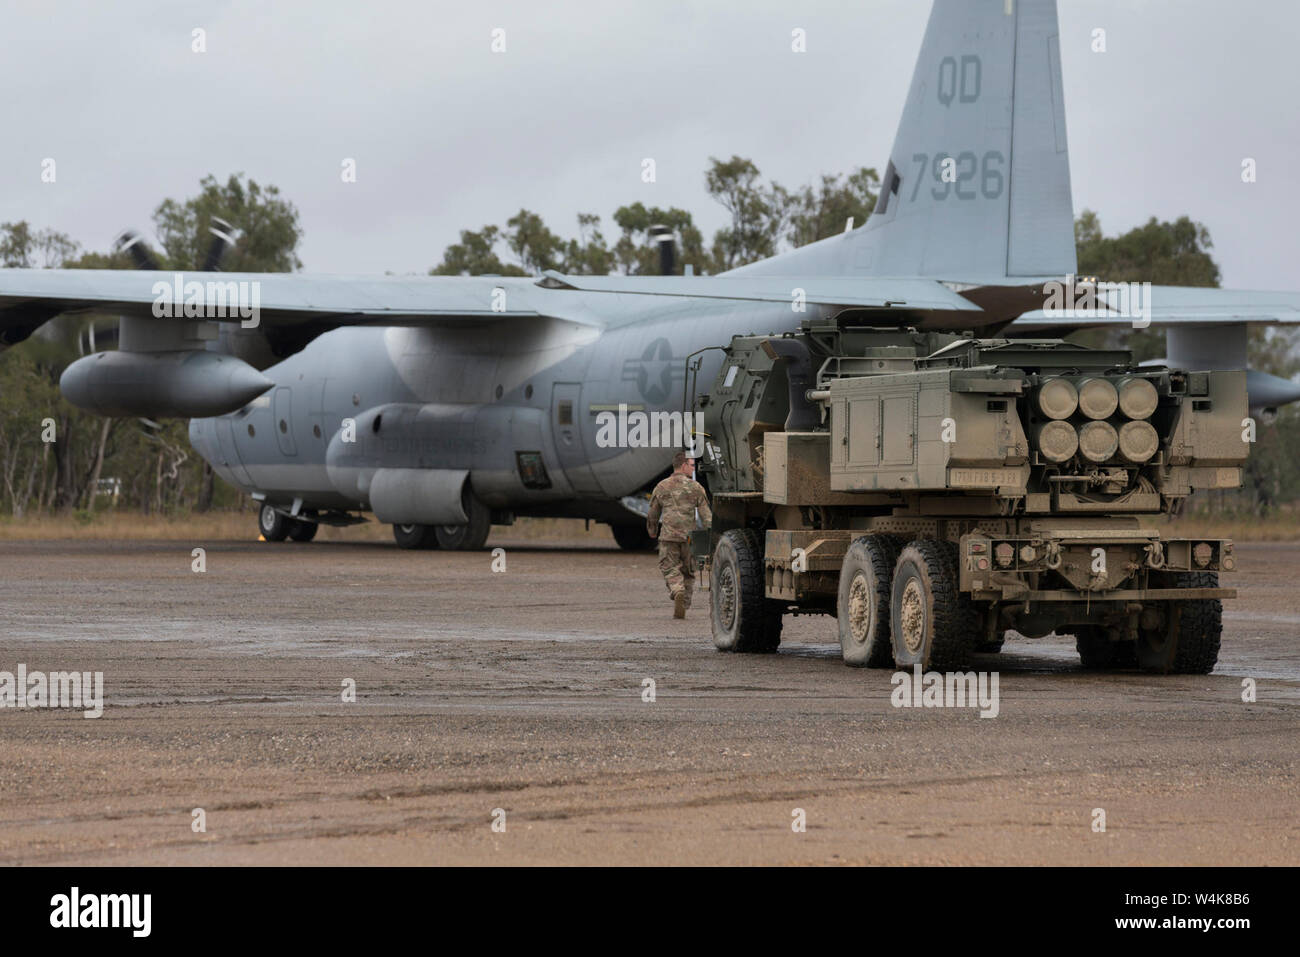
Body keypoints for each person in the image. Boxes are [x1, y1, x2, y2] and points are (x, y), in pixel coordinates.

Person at [647, 450, 712, 619]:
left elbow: (653, 514)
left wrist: (652, 531)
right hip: (689, 538)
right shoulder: (696, 487)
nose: (693, 469)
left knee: (669, 567)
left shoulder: (662, 486)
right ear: (683, 466)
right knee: (689, 572)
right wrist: (710, 536)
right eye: (691, 465)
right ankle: (684, 603)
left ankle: (677, 590)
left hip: (668, 537)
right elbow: (707, 517)